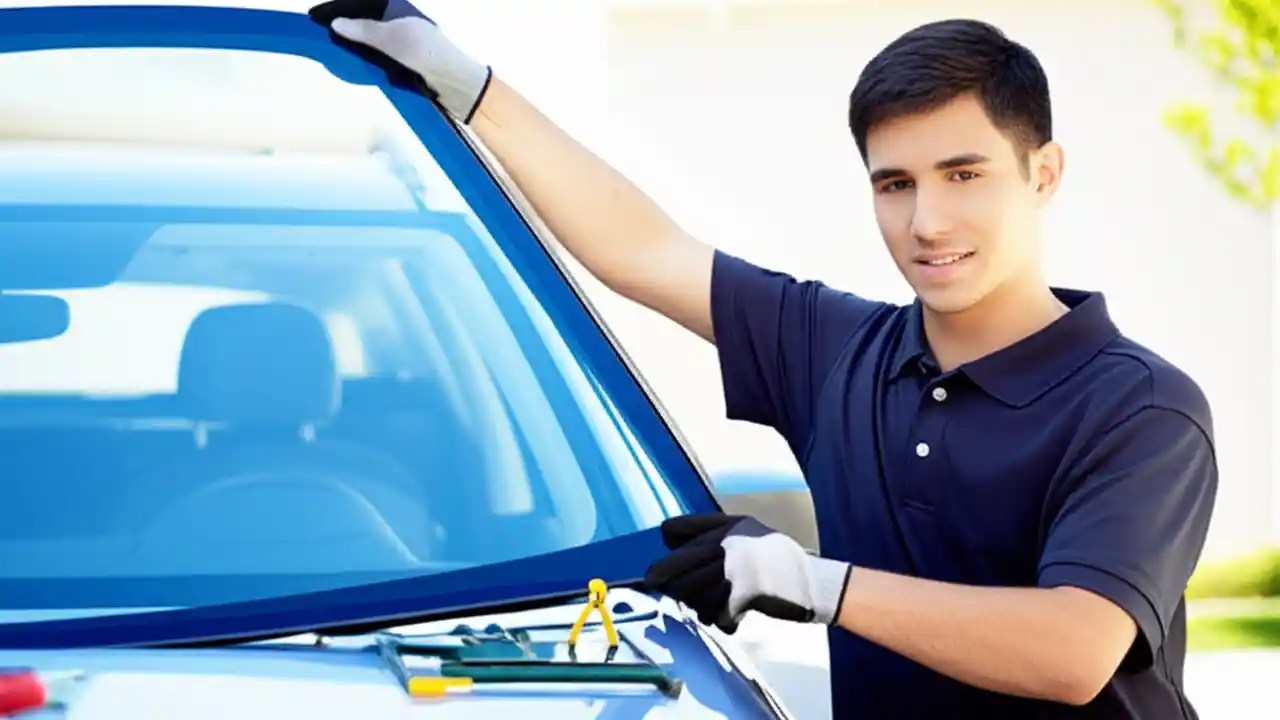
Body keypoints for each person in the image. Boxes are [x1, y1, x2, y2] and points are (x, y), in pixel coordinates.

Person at [307, 1, 1218, 717]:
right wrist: (468, 87)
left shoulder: (1142, 409)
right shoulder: (837, 350)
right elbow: (646, 252)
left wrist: (808, 582)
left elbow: (1072, 652)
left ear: (1044, 173)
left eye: (964, 174)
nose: (926, 222)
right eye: (894, 184)